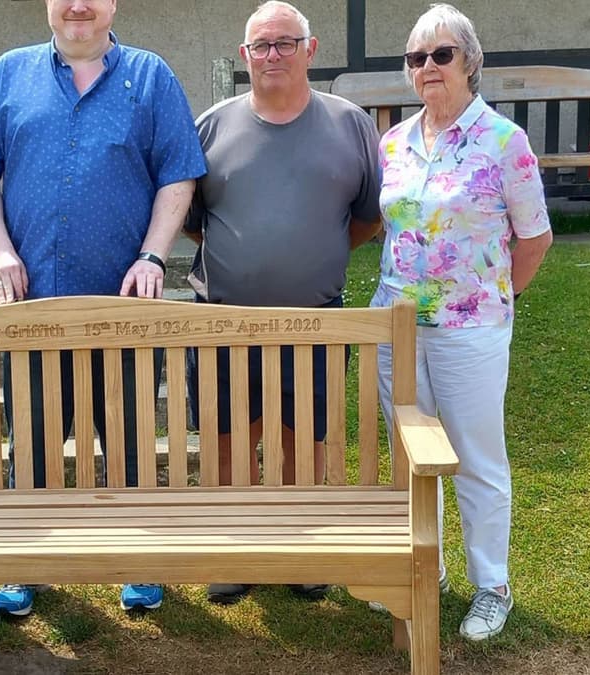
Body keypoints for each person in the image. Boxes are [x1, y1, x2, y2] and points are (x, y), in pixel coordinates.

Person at [0, 0, 206, 615]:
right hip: (33, 305)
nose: (77, 6)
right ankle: (26, 565)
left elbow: (178, 174)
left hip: (122, 307)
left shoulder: (150, 76)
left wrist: (153, 256)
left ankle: (138, 562)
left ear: (111, 5)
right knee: (33, 440)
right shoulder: (9, 73)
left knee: (126, 440)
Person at [183, 1, 382, 606]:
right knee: (226, 439)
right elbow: (196, 222)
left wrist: (304, 259)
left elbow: (366, 219)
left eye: (284, 43)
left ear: (310, 49)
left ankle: (299, 550)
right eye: (260, 46)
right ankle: (234, 552)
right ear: (244, 57)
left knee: (304, 436)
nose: (272, 55)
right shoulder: (211, 126)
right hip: (222, 319)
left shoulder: (351, 125)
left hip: (314, 320)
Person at [371, 3, 551, 641]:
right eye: (416, 57)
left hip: (471, 328)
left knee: (474, 457)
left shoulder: (505, 141)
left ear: (469, 62)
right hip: (395, 322)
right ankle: (427, 567)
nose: (427, 67)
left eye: (441, 54)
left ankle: (492, 584)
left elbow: (534, 239)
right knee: (408, 453)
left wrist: (494, 301)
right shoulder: (392, 141)